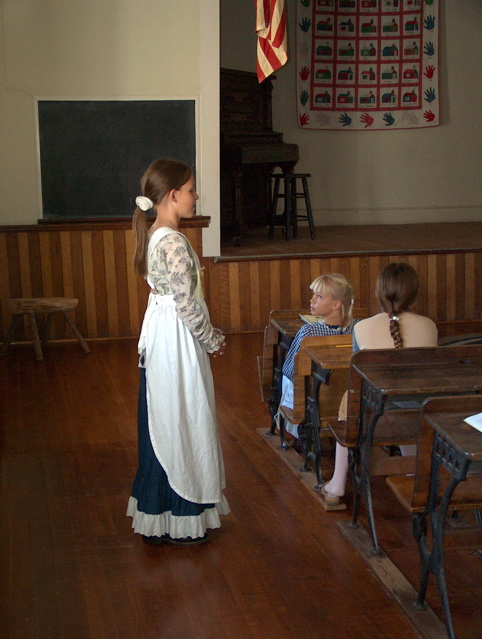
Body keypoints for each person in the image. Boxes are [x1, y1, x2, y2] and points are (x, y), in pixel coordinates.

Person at [126, 159, 229, 545]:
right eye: (190, 189)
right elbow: (187, 305)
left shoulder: (157, 233)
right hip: (175, 338)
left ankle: (164, 509)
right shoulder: (172, 240)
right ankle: (178, 511)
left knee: (167, 416)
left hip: (163, 333)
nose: (195, 195)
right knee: (181, 416)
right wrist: (213, 339)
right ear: (172, 195)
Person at [320, 262, 438, 510]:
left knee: (349, 400)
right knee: (409, 395)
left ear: (378, 293)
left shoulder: (362, 327)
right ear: (414, 294)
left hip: (372, 415)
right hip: (418, 413)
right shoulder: (429, 327)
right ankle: (412, 472)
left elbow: (357, 373)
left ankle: (337, 482)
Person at [279, 273, 357, 441]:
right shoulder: (358, 330)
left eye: (319, 296)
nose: (312, 300)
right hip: (350, 402)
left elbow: (289, 371)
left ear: (336, 304)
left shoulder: (308, 332)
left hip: (314, 403)